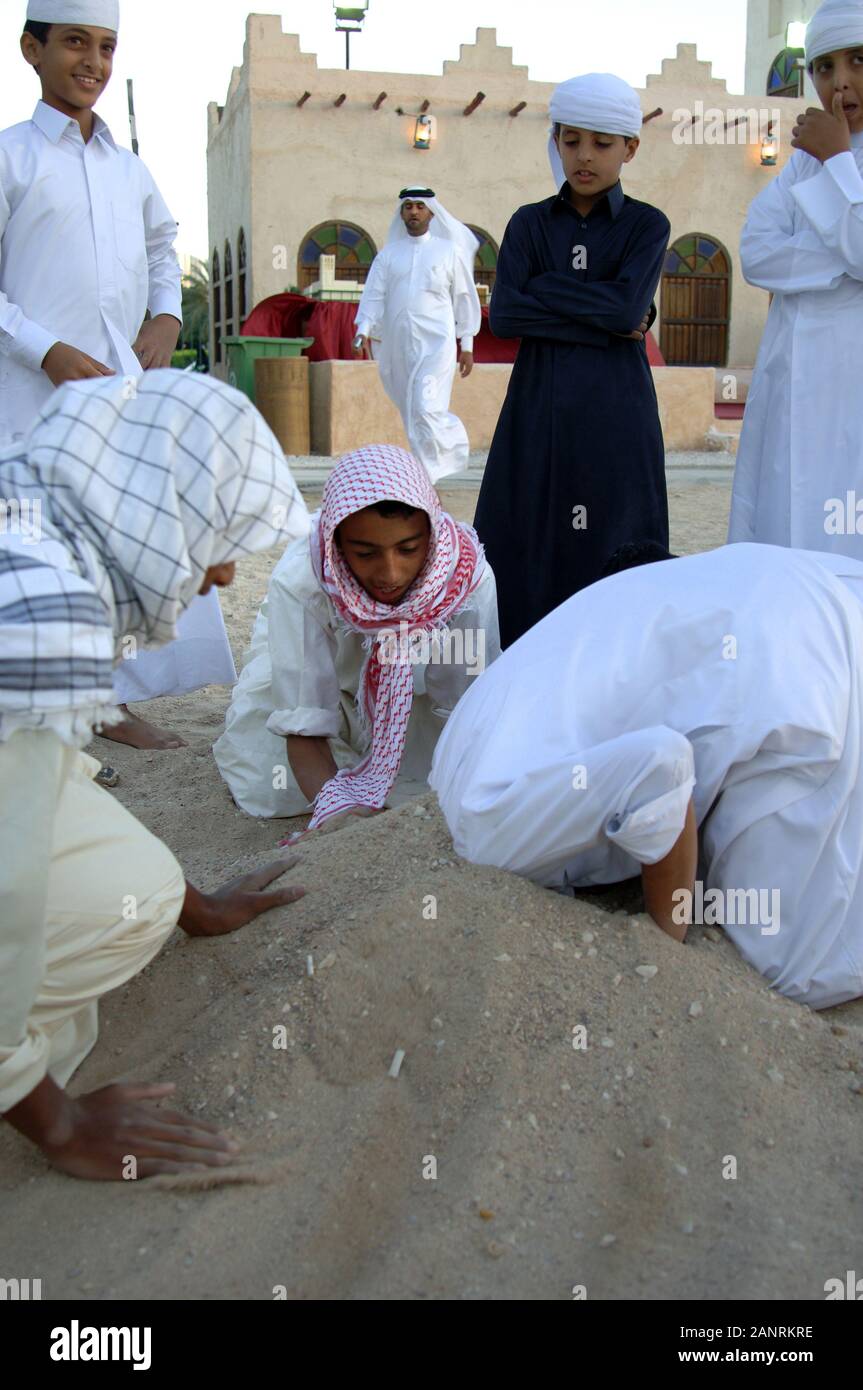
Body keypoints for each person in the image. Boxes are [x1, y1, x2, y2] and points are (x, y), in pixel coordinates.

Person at [0, 371, 310, 1180]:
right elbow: (3, 890)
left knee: (139, 884)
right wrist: (53, 1121)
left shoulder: (29, 530)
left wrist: (185, 900)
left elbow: (43, 774)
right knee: (103, 911)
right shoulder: (43, 624)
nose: (225, 578)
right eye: (214, 537)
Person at [430, 541, 863, 1010]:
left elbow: (663, 766)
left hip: (789, 651)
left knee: (785, 959)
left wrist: (663, 946)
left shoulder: (487, 831)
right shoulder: (455, 755)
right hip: (781, 579)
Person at [0, 1, 235, 752]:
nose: (93, 62)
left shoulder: (130, 170)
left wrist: (166, 318)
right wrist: (44, 350)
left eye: (106, 46)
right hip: (25, 391)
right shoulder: (9, 157)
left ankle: (103, 700)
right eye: (75, 43)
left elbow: (164, 249)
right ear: (31, 49)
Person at [472, 74, 670, 649]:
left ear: (630, 148)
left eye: (602, 143)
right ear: (556, 140)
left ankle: (610, 670)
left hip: (615, 410)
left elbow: (629, 306)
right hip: (540, 405)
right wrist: (605, 312)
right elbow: (506, 316)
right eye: (572, 140)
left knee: (612, 534)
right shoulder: (529, 223)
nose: (584, 156)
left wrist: (546, 287)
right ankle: (522, 669)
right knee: (527, 535)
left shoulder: (646, 224)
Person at [214, 445, 500, 830]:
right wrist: (338, 816)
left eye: (408, 549)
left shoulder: (465, 577)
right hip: (324, 684)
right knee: (269, 784)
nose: (391, 574)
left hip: (411, 688)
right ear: (337, 540)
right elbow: (303, 718)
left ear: (431, 532)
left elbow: (465, 700)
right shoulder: (303, 581)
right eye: (365, 553)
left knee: (432, 782)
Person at [729, 0, 863, 557]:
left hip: (851, 380)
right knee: (785, 517)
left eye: (858, 61)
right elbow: (757, 254)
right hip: (790, 376)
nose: (841, 83)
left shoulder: (822, 156)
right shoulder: (801, 164)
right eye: (824, 67)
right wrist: (842, 271)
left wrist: (839, 161)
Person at [353, 188, 481, 484]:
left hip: (437, 342)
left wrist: (468, 344)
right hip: (399, 342)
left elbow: (463, 298)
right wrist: (363, 330)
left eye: (420, 206)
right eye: (408, 206)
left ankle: (448, 451)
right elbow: (374, 295)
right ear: (401, 213)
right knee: (412, 410)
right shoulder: (388, 256)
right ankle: (424, 475)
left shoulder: (448, 252)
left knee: (426, 405)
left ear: (431, 213)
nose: (413, 211)